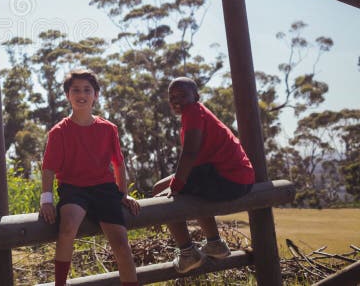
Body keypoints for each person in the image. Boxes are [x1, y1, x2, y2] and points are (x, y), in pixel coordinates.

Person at [40, 70, 141, 286]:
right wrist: (46, 200)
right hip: (73, 189)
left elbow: (118, 164)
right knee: (67, 228)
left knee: (122, 245)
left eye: (87, 89)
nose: (81, 94)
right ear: (68, 95)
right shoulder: (58, 132)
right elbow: (48, 168)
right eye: (75, 89)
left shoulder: (108, 129)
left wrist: (123, 194)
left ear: (95, 95)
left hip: (105, 190)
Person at [152, 77, 255, 274]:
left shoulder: (193, 111)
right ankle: (215, 243)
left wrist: (176, 185)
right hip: (232, 176)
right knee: (159, 187)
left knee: (161, 202)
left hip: (228, 178)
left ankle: (188, 253)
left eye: (183, 95)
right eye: (172, 96)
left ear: (196, 96)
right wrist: (177, 182)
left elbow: (190, 152)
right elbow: (196, 162)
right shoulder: (196, 113)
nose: (177, 100)